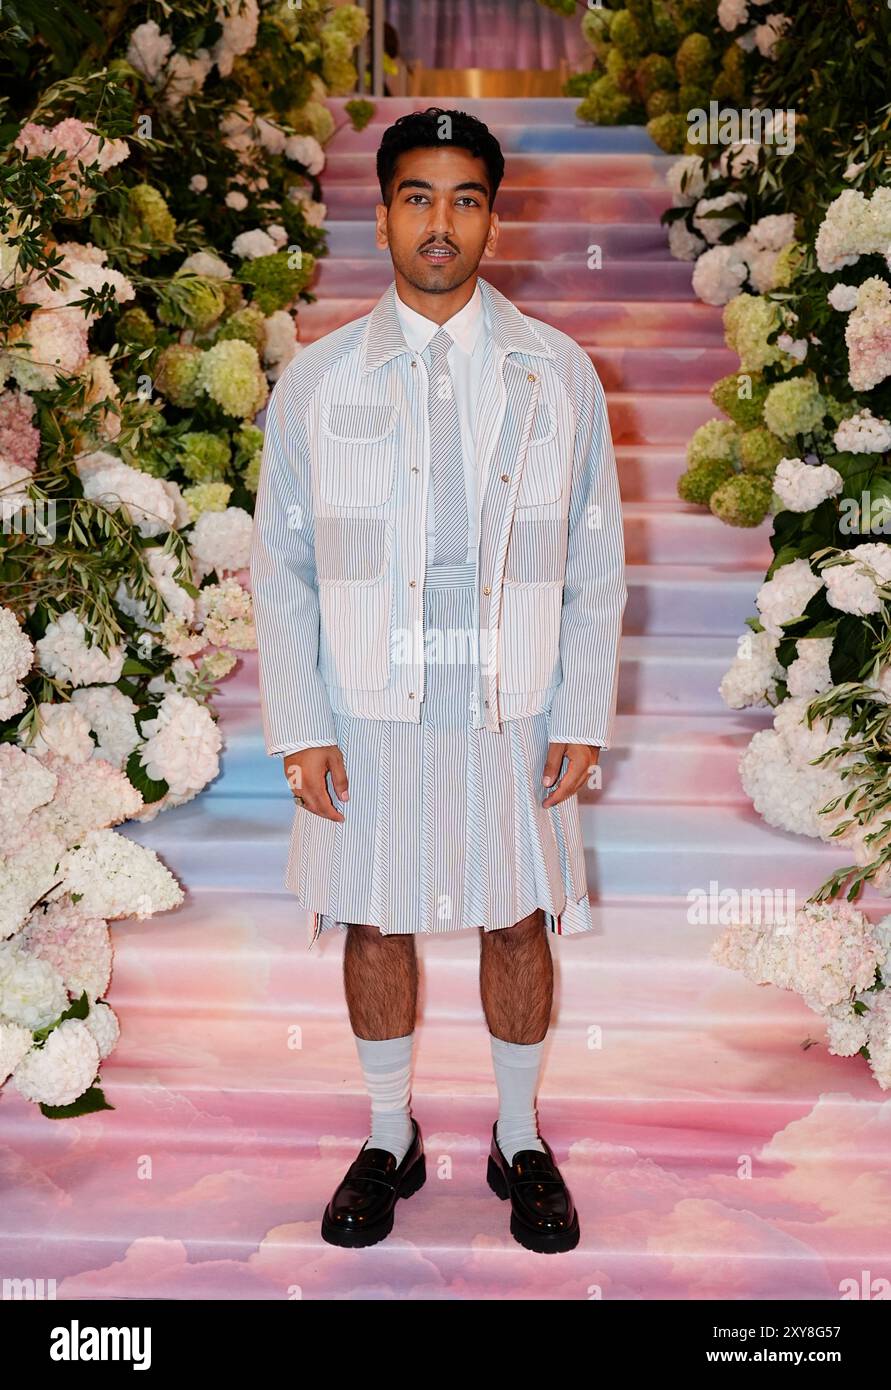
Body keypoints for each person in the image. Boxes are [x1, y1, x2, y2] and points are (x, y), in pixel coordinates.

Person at [249, 107, 628, 1254]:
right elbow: (284, 561)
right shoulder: (317, 382)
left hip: (511, 704)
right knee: (375, 919)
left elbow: (597, 557)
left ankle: (519, 1138)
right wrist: (300, 725)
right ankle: (386, 1136)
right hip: (370, 704)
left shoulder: (558, 373)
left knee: (518, 919)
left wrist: (582, 709)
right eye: (419, 196)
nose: (441, 221)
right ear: (381, 215)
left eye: (466, 198)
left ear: (494, 221)